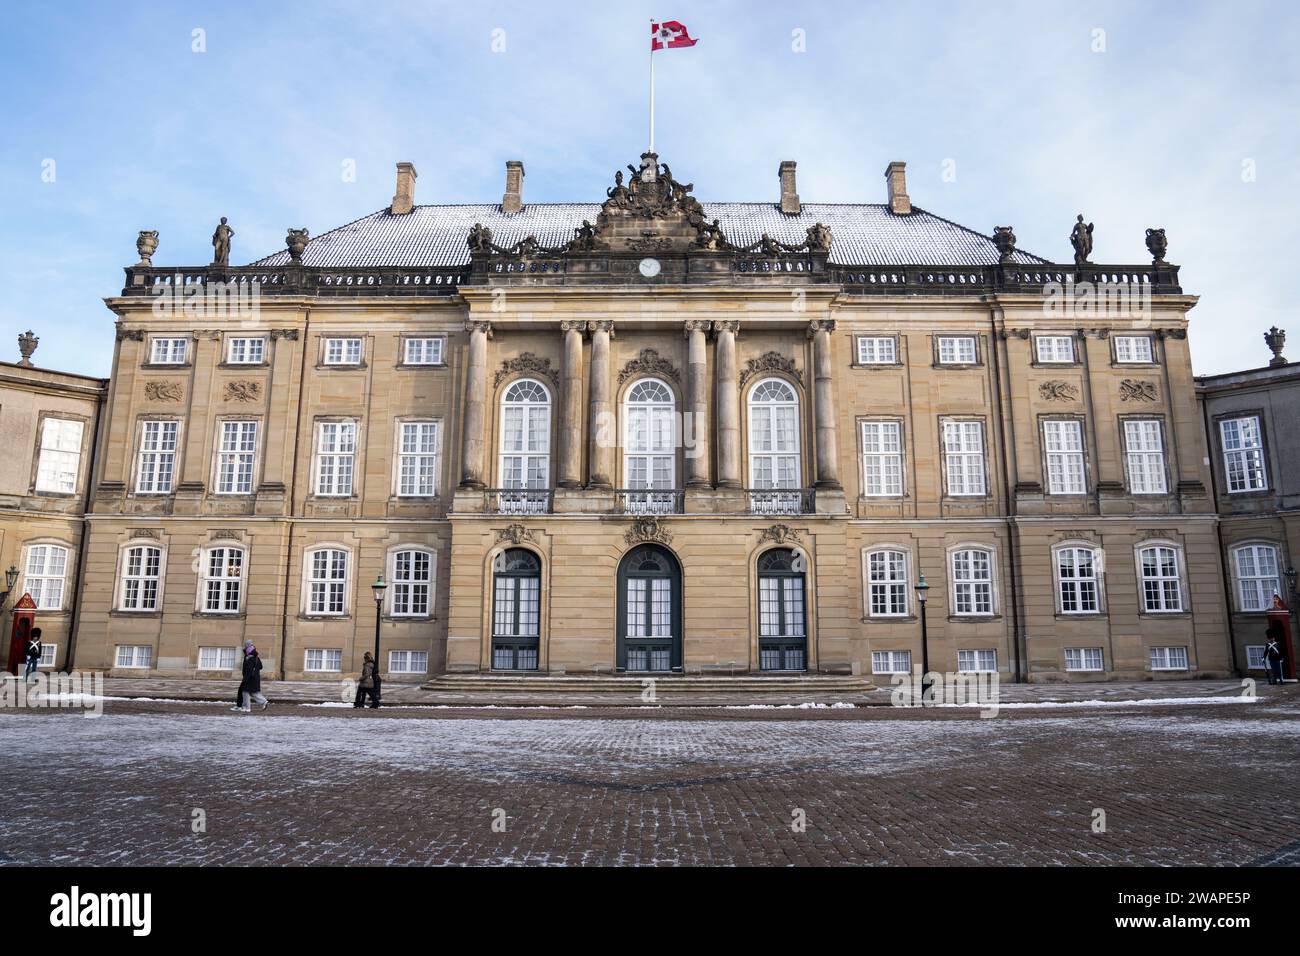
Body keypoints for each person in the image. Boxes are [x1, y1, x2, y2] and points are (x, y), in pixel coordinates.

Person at [230, 641, 267, 712]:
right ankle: (242, 706)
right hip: (254, 678)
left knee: (245, 691)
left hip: (249, 678)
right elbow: (260, 666)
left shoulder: (250, 657)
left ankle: (246, 707)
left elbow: (249, 670)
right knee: (251, 692)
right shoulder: (255, 656)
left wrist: (245, 678)